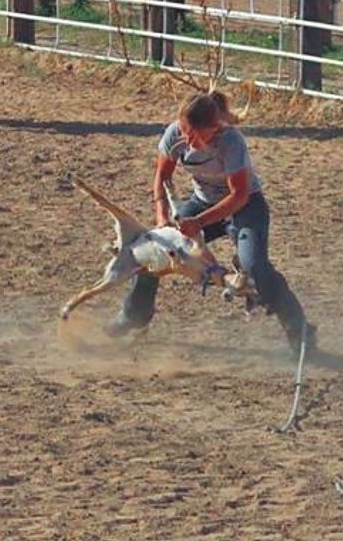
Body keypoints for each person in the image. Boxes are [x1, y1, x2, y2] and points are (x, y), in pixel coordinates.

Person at [108, 91, 317, 356]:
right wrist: (162, 219)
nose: (187, 140)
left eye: (194, 134)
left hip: (245, 207)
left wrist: (199, 222)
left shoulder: (231, 142)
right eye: (184, 131)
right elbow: (161, 177)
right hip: (202, 203)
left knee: (255, 266)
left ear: (213, 127)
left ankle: (299, 331)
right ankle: (134, 314)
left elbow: (239, 195)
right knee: (156, 246)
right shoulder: (175, 134)